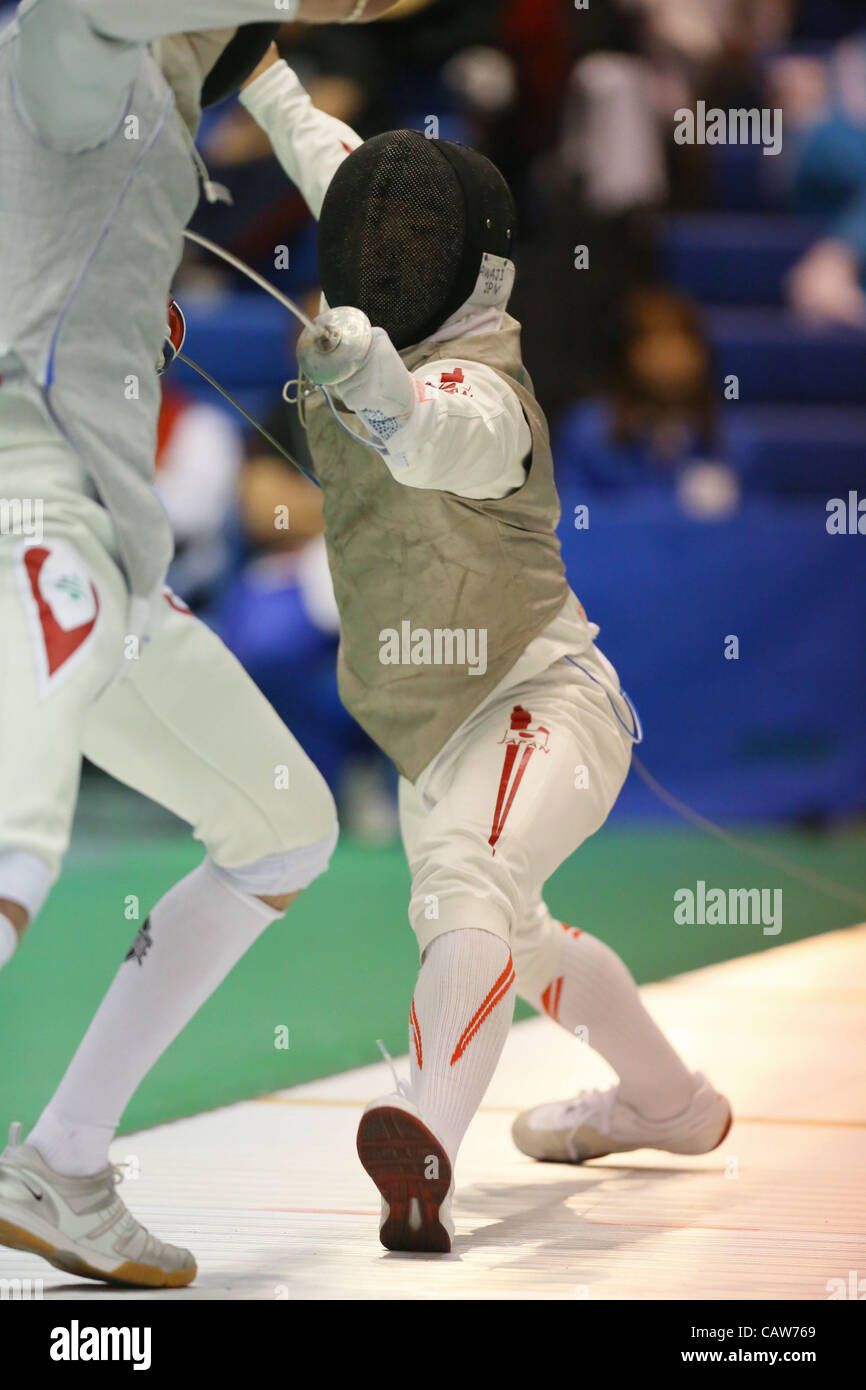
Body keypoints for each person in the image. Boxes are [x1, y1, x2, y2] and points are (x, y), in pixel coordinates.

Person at [240, 46, 733, 1255]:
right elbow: (341, 172)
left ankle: (426, 1141)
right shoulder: (397, 266)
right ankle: (670, 1103)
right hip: (430, 732)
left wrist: (374, 386)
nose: (379, 245)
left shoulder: (483, 384)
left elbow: (433, 441)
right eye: (379, 232)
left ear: (458, 265)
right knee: (512, 936)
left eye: (405, 238)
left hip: (540, 702)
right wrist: (255, 69)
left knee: (468, 889)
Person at [0, 0, 397, 1289]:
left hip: (111, 549)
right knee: (16, 836)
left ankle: (60, 1160)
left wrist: (282, 84)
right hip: (22, 503)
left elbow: (308, 139)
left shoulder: (168, 116)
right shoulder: (69, 54)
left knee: (284, 820)